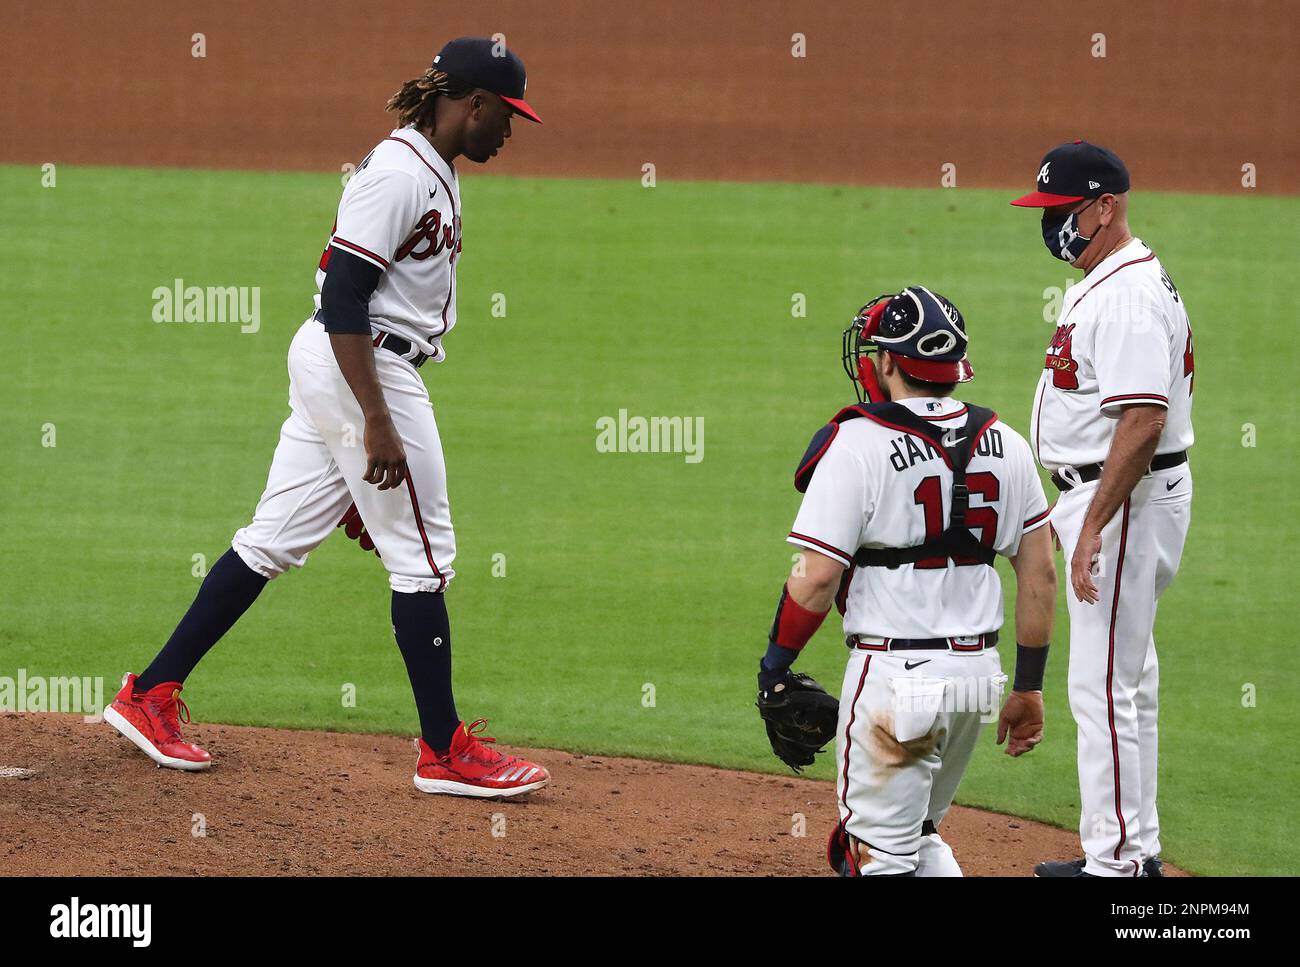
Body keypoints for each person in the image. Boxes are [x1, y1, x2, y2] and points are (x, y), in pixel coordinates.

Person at [103, 38, 550, 798]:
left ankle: (149, 694)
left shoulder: (432, 168)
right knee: (424, 556)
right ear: (471, 103)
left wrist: (353, 460)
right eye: (506, 115)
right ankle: (443, 750)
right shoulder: (399, 174)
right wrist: (374, 422)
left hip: (348, 365)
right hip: (364, 363)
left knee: (271, 540)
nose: (509, 130)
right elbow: (345, 294)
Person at [758, 286, 1057, 876]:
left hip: (897, 682)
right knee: (917, 835)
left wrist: (773, 668)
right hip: (977, 680)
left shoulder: (858, 443)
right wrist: (1029, 686)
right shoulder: (1009, 443)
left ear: (891, 361)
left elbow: (816, 578)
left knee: (871, 858)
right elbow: (1041, 574)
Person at [1011, 140, 1195, 876]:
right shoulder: (1115, 274)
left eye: (1063, 210)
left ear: (1105, 206)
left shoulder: (1125, 295)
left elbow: (1143, 419)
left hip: (1124, 499)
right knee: (1129, 678)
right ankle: (1136, 849)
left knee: (1102, 686)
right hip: (1124, 496)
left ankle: (1115, 867)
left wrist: (1090, 525)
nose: (1052, 223)